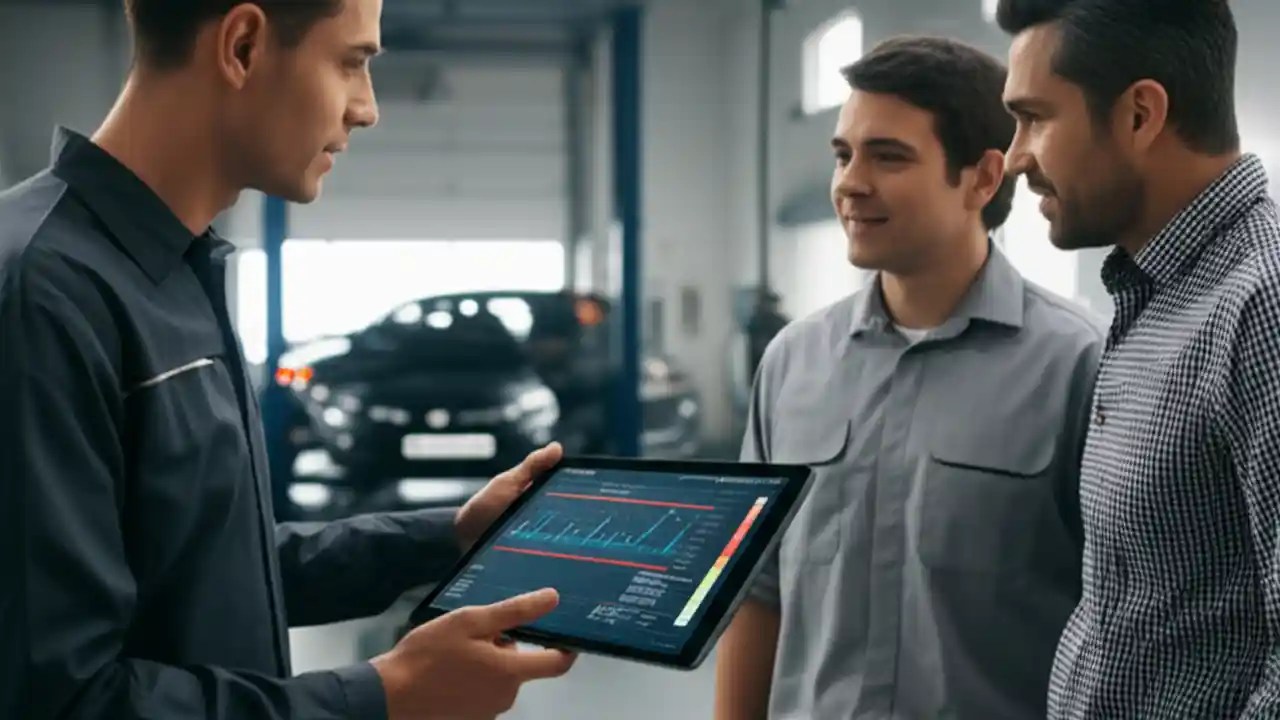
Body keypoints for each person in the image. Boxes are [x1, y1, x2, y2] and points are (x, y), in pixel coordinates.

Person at [0, 1, 576, 718]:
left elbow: (213, 568)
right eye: (353, 62)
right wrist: (381, 696)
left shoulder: (175, 273)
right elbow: (60, 701)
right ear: (242, 46)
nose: (367, 110)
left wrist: (451, 534)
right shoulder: (42, 293)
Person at [713, 36, 1104, 720]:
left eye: (888, 156)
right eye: (843, 155)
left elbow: (1118, 620)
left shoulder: (1080, 365)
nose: (849, 183)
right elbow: (757, 591)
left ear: (983, 178)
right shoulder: (791, 364)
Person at [997, 1, 1280, 716]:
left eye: (1035, 117)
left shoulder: (1261, 304)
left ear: (1139, 115)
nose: (1014, 157)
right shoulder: (1152, 294)